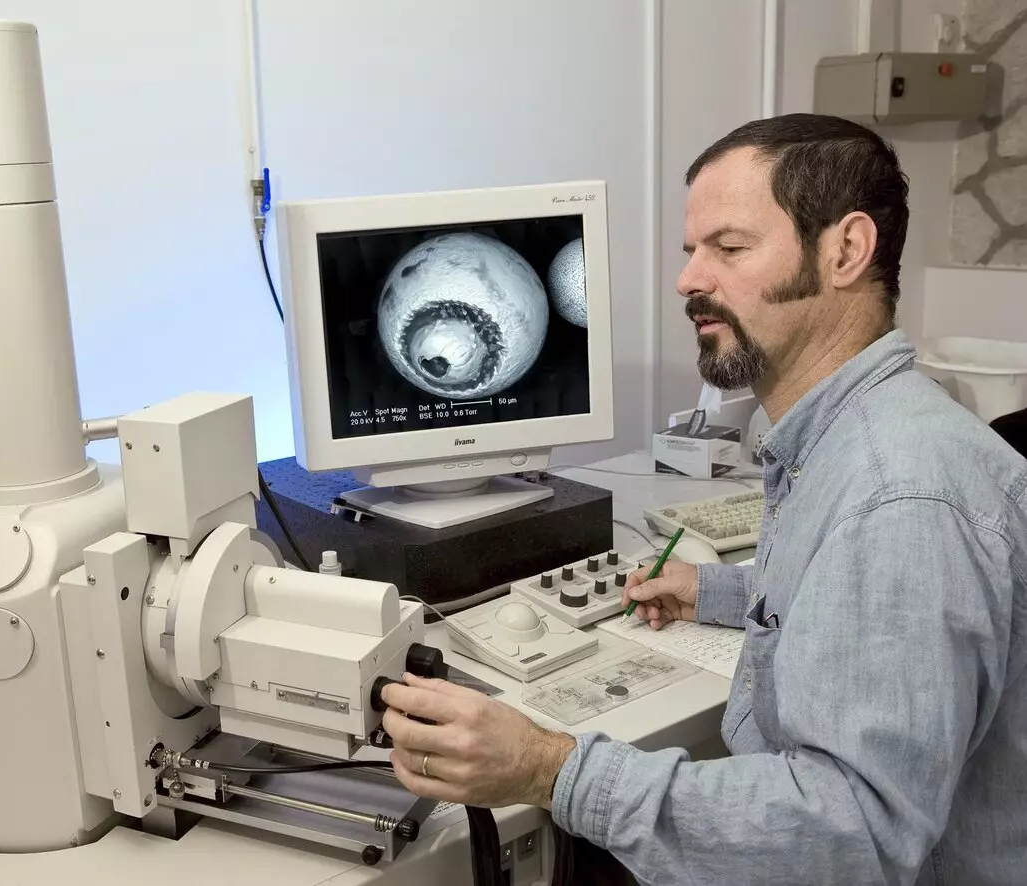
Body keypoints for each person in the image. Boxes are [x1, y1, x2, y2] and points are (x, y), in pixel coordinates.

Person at [380, 113, 1027, 885]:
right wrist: (719, 590)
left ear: (846, 251)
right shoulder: (852, 444)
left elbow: (855, 833)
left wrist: (548, 769)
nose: (689, 280)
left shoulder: (901, 498)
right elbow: (853, 600)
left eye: (729, 248)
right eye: (691, 251)